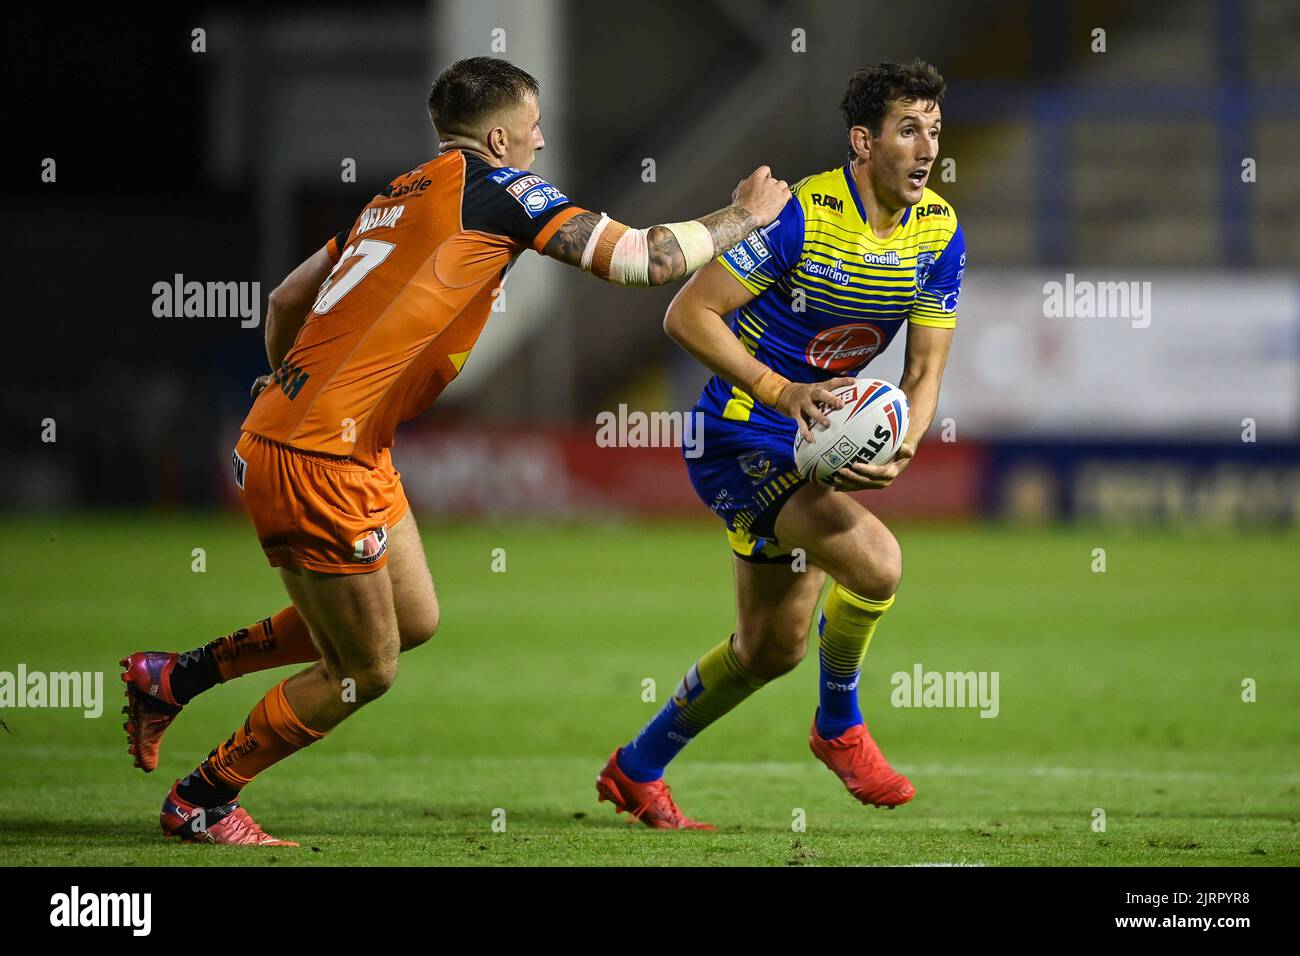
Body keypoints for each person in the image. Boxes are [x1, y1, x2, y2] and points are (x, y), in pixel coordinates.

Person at [120, 55, 790, 845]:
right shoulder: (503, 190)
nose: (541, 140)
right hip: (319, 460)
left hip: (334, 443)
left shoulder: (396, 195)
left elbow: (286, 298)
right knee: (365, 670)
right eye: (534, 125)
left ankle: (176, 676)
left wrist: (294, 389)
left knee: (414, 617)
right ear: (500, 135)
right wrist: (742, 215)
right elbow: (642, 258)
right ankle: (203, 798)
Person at [596, 59, 965, 829]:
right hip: (739, 433)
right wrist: (781, 390)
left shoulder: (939, 229)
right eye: (908, 129)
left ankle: (637, 768)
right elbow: (687, 315)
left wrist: (907, 445)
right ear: (863, 141)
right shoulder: (804, 213)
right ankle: (839, 728)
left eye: (934, 129)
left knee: (770, 649)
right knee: (876, 562)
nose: (926, 146)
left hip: (809, 440)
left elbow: (925, 368)